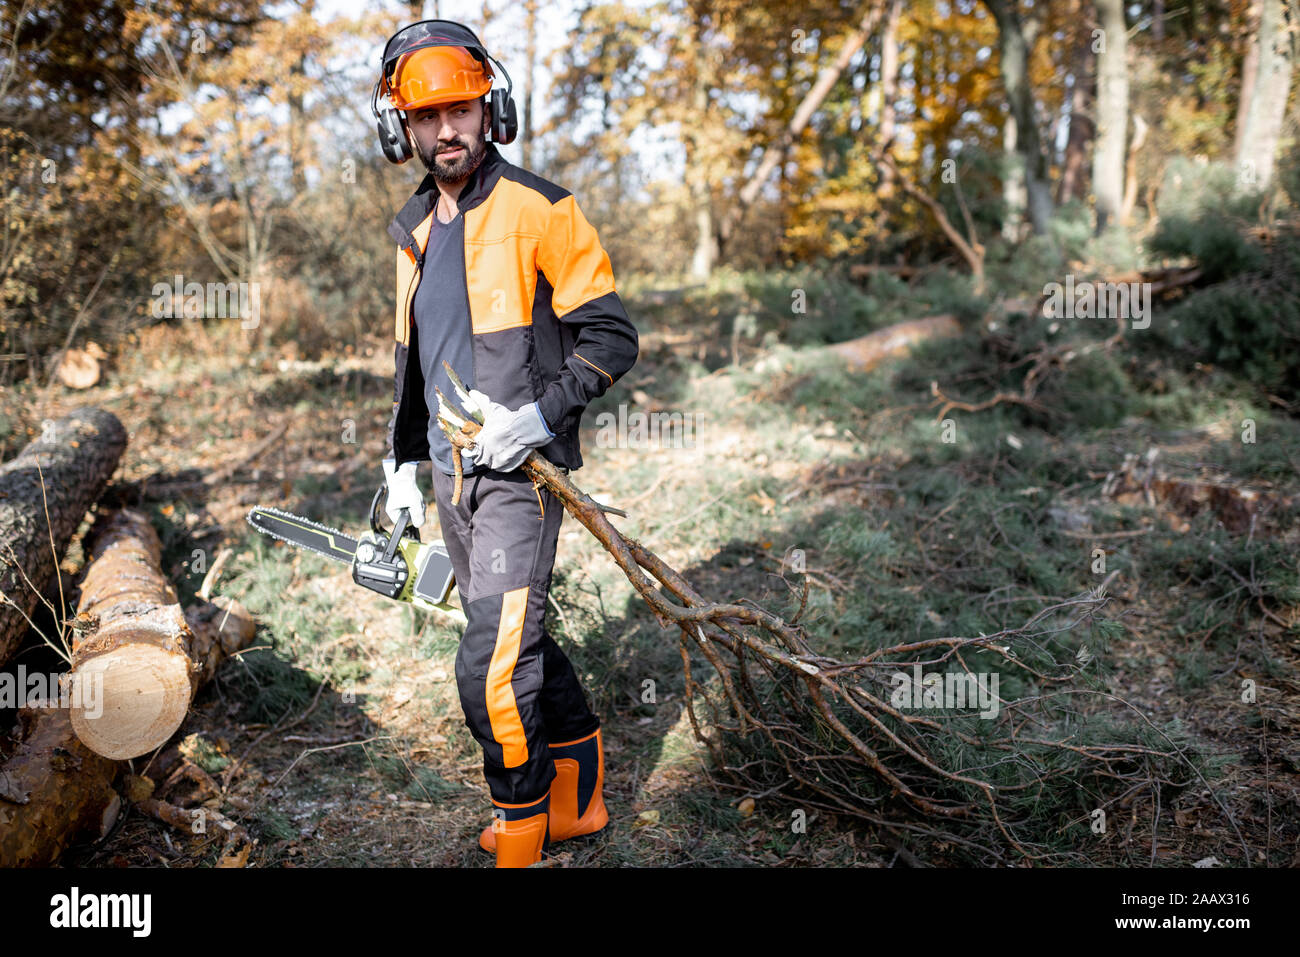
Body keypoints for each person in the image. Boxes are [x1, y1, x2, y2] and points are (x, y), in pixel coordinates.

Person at [373, 20, 638, 867]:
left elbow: (611, 337)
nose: (445, 131)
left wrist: (539, 416)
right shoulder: (412, 229)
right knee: (512, 634)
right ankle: (580, 793)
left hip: (520, 474)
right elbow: (420, 361)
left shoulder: (541, 208)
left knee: (486, 662)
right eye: (426, 117)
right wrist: (401, 464)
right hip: (451, 475)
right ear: (401, 129)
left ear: (492, 110)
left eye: (460, 110)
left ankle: (520, 829)